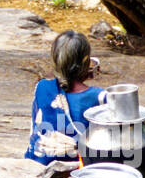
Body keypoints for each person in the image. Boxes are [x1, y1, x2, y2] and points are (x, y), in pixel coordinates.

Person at [25, 31, 103, 164]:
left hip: (38, 163)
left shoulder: (42, 87)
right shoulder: (98, 97)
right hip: (77, 168)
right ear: (86, 62)